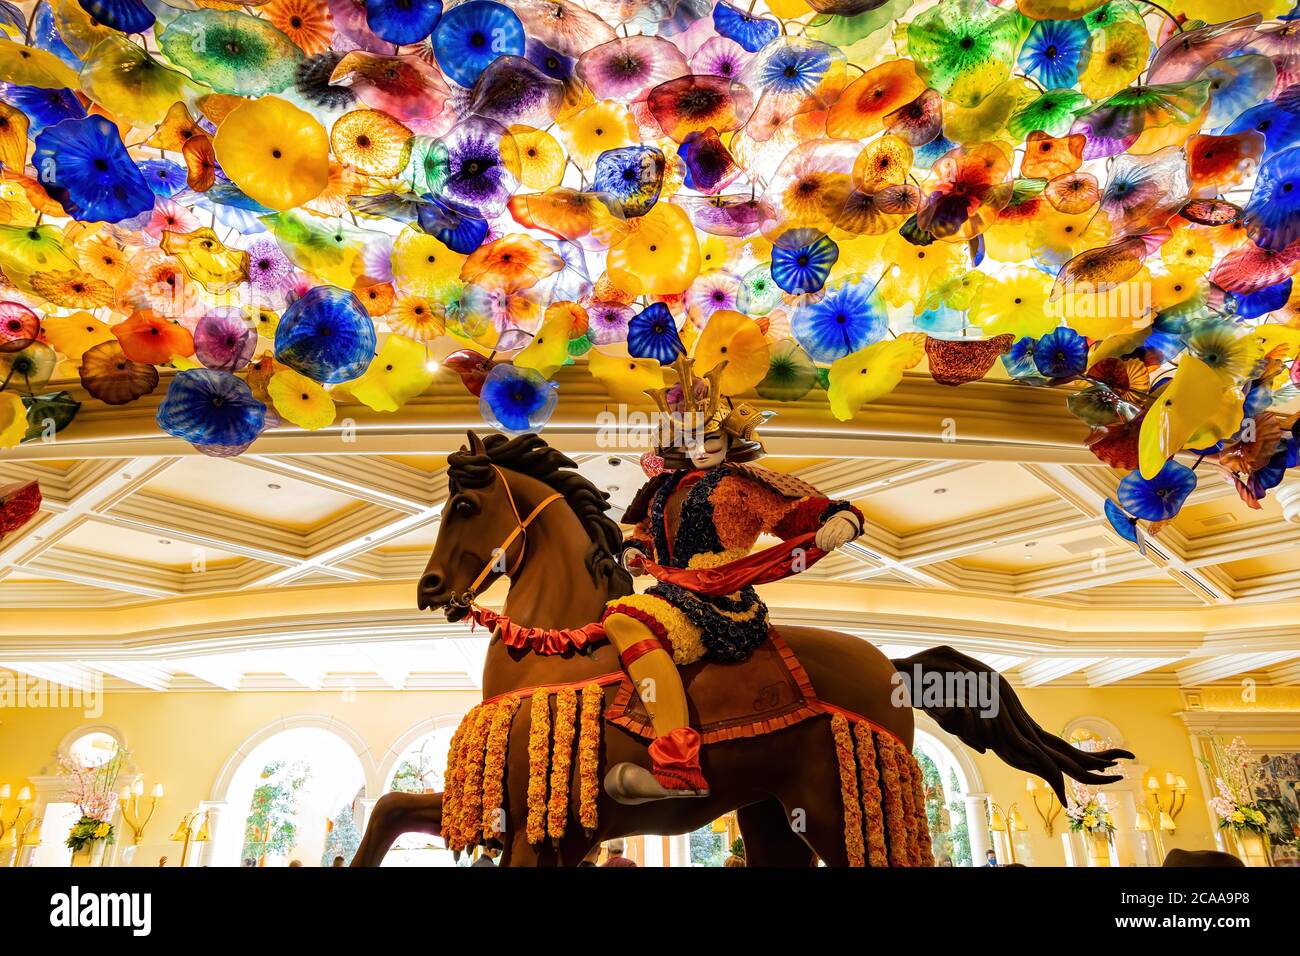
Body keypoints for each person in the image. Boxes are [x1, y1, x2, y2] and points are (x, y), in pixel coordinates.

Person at [602, 357, 864, 801]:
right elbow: (646, 536)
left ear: (730, 439)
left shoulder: (740, 483)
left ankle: (677, 767)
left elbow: (793, 512)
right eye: (692, 441)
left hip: (717, 595)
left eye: (711, 438)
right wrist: (634, 551)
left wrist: (843, 516)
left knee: (622, 619)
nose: (701, 449)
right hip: (669, 589)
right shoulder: (661, 489)